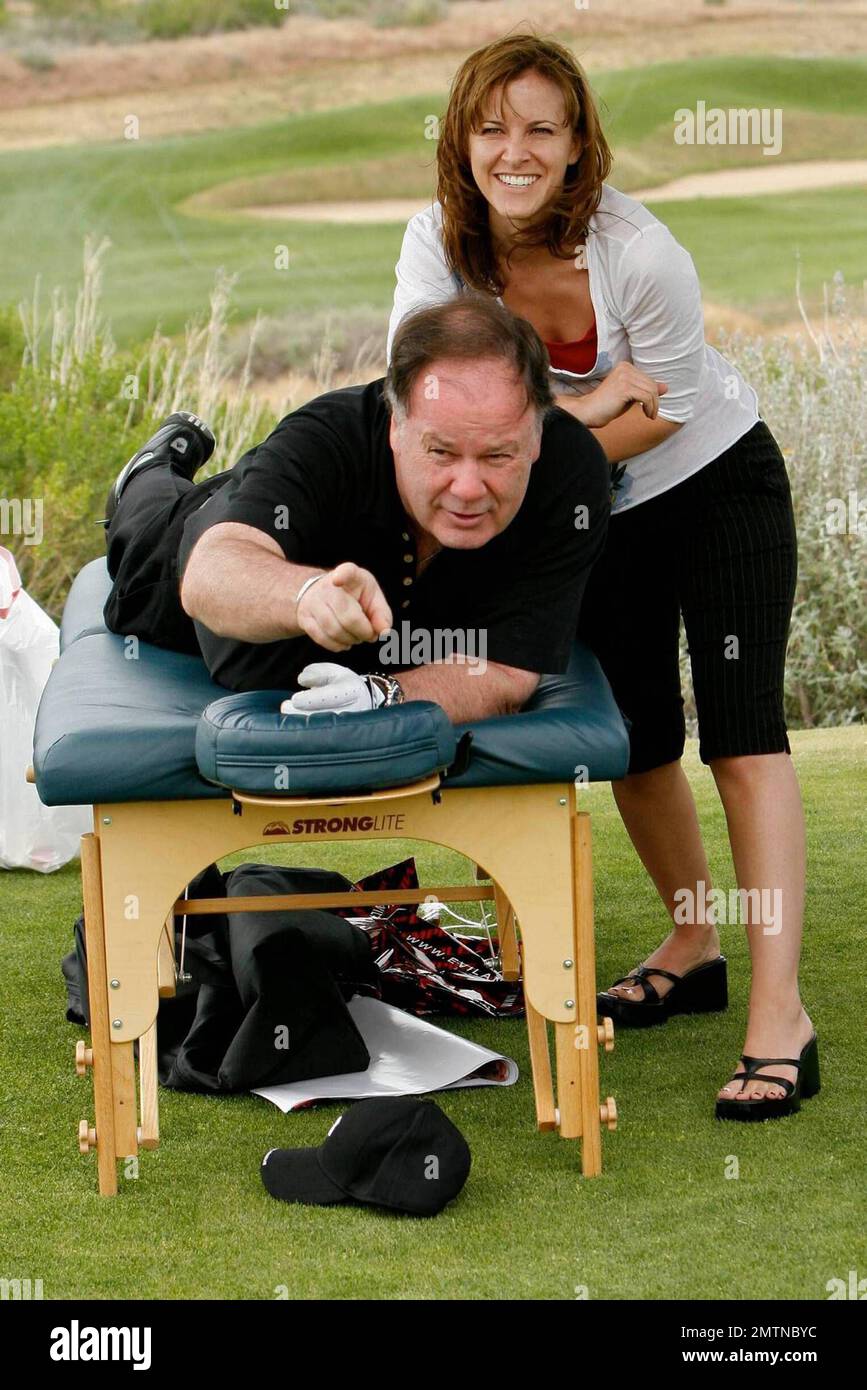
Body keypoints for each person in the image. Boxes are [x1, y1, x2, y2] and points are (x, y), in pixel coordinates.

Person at [387, 33, 817, 1119]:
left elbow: (657, 414)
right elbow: (424, 404)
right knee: (637, 740)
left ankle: (780, 1014)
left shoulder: (641, 252)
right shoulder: (437, 249)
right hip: (594, 502)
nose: (515, 150)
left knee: (742, 735)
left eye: (542, 127)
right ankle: (693, 939)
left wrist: (533, 436)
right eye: (493, 126)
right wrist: (577, 412)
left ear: (579, 146)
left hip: (714, 484)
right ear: (461, 138)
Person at [103, 295, 611, 728]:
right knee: (146, 518)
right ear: (396, 427)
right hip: (199, 573)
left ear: (538, 435)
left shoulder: (570, 475)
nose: (469, 487)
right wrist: (306, 595)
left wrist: (378, 698)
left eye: (498, 455)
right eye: (442, 452)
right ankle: (155, 465)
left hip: (389, 656)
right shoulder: (325, 438)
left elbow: (504, 675)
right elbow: (211, 573)